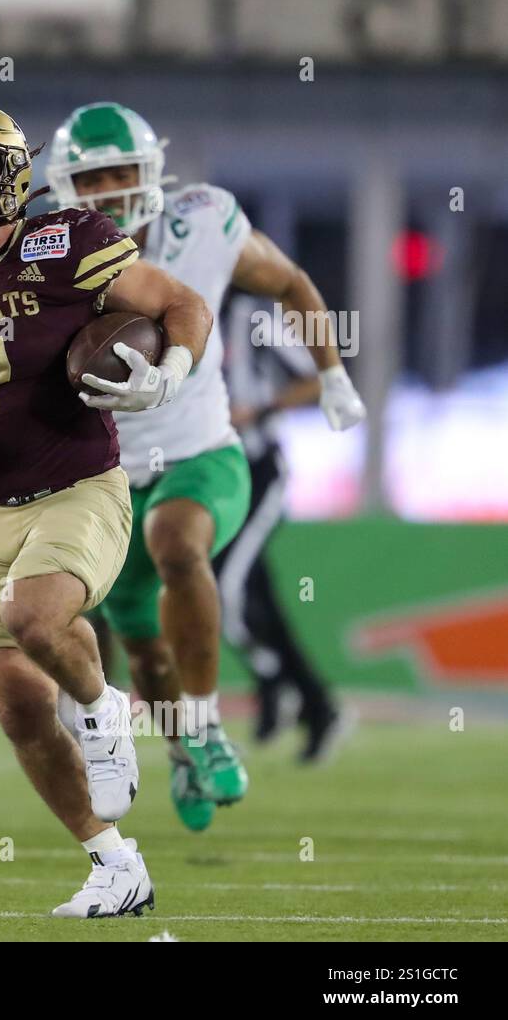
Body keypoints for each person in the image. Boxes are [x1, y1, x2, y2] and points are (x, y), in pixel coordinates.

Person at [0, 99, 213, 917]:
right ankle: (113, 864)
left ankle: (104, 711)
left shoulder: (66, 244)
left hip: (80, 486)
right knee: (19, 702)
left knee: (34, 615)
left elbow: (182, 306)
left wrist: (170, 374)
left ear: (11, 176)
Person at [46, 101, 365, 830]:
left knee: (179, 545)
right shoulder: (48, 256)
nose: (108, 192)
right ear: (67, 187)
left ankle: (209, 721)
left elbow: (291, 283)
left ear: (152, 172)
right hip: (107, 478)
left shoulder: (204, 222)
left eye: (122, 173)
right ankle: (185, 749)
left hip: (201, 452)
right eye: (92, 180)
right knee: (139, 646)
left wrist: (334, 375)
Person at [217, 293, 351, 761]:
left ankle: (272, 677)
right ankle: (317, 705)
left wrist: (259, 409)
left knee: (221, 585)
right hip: (207, 473)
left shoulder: (251, 315)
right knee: (261, 603)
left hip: (256, 471)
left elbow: (315, 380)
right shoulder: (175, 301)